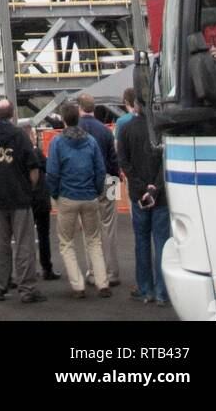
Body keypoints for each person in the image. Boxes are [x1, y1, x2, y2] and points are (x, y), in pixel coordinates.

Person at [0, 99, 45, 304]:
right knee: (24, 245)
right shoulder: (20, 136)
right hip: (20, 197)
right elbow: (33, 167)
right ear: (13, 114)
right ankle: (27, 288)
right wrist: (29, 187)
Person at [46, 101, 109, 299]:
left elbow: (52, 172)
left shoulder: (57, 142)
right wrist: (97, 190)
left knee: (66, 242)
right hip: (89, 195)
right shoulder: (90, 141)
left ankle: (78, 285)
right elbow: (100, 169)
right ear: (78, 118)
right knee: (94, 240)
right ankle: (102, 282)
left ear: (64, 120)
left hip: (67, 196)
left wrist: (55, 194)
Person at [117, 98, 170, 305]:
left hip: (138, 196)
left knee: (141, 242)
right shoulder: (162, 129)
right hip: (160, 196)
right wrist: (154, 188)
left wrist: (140, 189)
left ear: (135, 106)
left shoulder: (126, 129)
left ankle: (145, 289)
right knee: (162, 243)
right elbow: (166, 161)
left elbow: (123, 162)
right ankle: (162, 291)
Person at [77, 92, 120, 286]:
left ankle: (94, 272)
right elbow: (113, 159)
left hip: (85, 183)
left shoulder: (76, 130)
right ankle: (112, 273)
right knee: (109, 227)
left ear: (80, 108)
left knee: (90, 230)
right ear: (94, 108)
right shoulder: (105, 130)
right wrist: (115, 186)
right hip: (109, 180)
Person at [20, 122, 60, 281]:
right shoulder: (36, 153)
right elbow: (48, 167)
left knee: (26, 237)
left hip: (26, 199)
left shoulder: (20, 154)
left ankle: (28, 268)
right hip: (41, 199)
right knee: (44, 235)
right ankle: (46, 267)